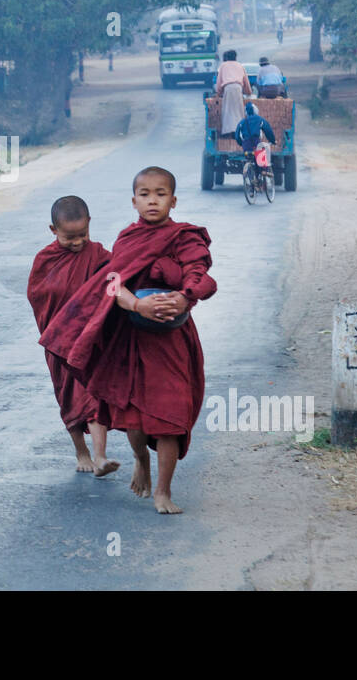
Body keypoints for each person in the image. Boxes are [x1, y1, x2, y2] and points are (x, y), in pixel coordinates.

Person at [40, 167, 216, 514]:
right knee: (134, 418)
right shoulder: (126, 240)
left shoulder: (186, 237)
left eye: (161, 193)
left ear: (173, 200)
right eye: (145, 194)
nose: (153, 200)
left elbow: (201, 276)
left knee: (170, 415)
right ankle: (140, 460)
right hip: (131, 338)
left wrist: (184, 297)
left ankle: (163, 492)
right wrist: (135, 303)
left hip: (172, 340)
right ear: (134, 201)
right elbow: (110, 284)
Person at [26, 195, 120, 477]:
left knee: (94, 396)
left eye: (82, 235)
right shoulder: (45, 260)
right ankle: (82, 450)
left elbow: (116, 279)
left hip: (90, 341)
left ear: (89, 224)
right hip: (59, 343)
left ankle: (101, 456)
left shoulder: (99, 255)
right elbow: (36, 295)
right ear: (53, 230)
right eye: (69, 237)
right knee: (68, 396)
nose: (78, 242)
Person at [214, 49, 251, 137]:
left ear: (226, 57)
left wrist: (218, 93)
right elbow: (246, 81)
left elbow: (219, 82)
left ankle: (228, 132)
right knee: (238, 110)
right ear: (235, 57)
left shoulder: (223, 66)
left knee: (227, 110)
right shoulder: (240, 65)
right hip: (238, 88)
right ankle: (238, 131)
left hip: (228, 88)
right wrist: (248, 92)